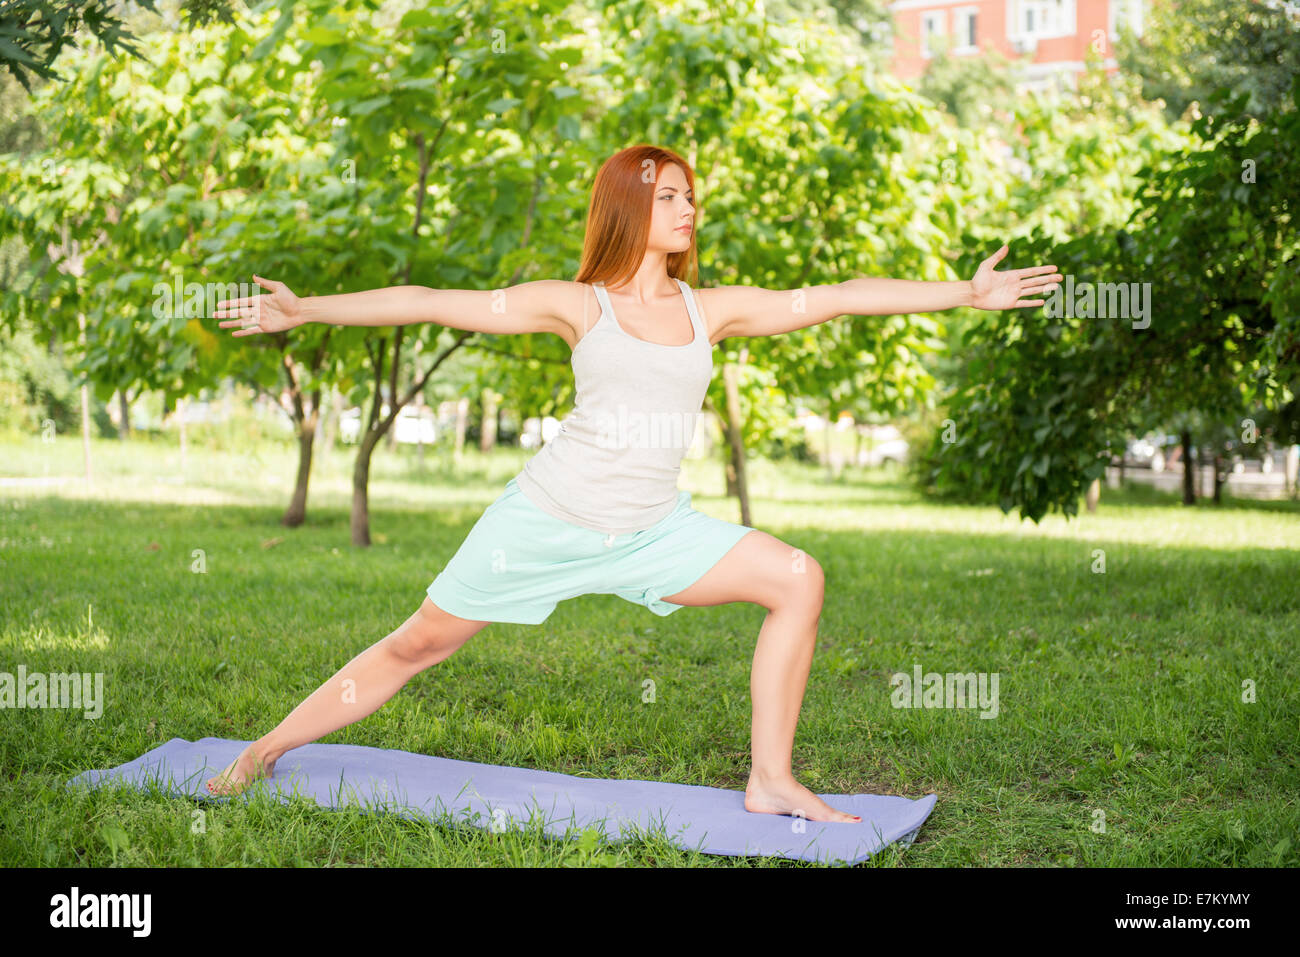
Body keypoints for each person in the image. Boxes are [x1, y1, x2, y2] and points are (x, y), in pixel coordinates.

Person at [209, 143, 1061, 823]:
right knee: (417, 643)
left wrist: (964, 294)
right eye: (670, 196)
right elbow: (433, 299)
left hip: (656, 530)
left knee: (799, 577)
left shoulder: (709, 309)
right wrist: (307, 307)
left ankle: (770, 778)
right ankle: (264, 749)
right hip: (548, 517)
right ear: (628, 206)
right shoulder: (579, 304)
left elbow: (834, 296)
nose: (688, 207)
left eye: (692, 196)